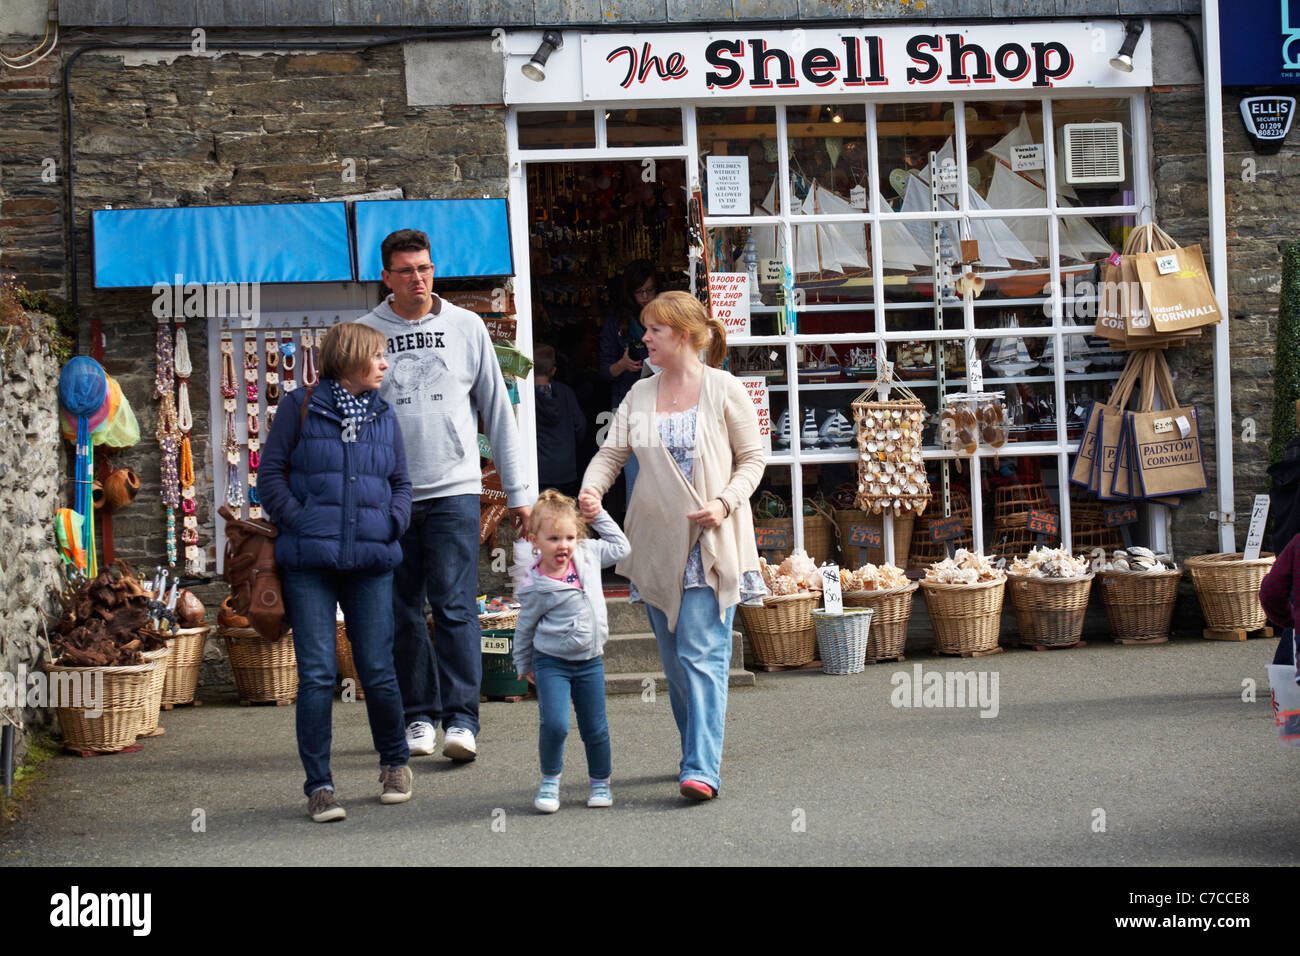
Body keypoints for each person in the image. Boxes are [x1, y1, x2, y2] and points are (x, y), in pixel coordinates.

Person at [580, 291, 767, 801]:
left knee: (703, 653)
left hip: (711, 540)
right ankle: (694, 750)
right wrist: (592, 489)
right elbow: (612, 453)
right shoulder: (641, 394)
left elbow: (753, 459)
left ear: (682, 336)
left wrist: (725, 503)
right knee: (676, 663)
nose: (644, 339)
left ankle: (702, 767)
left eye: (653, 331)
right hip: (657, 546)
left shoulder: (724, 389)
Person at [357, 229, 532, 763]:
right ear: (386, 276)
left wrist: (519, 490)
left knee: (456, 608)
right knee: (402, 611)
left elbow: (497, 411)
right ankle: (418, 719)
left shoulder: (466, 326)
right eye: (406, 270)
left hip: (456, 488)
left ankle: (462, 720)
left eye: (426, 268)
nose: (418, 278)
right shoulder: (365, 334)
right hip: (390, 496)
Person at [258, 322, 414, 822]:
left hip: (370, 561)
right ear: (348, 358)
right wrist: (301, 519)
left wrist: (393, 522)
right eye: (377, 356)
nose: (385, 365)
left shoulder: (385, 416)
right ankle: (319, 786)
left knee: (378, 670)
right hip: (309, 563)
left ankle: (394, 763)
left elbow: (401, 483)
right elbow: (269, 475)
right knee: (318, 675)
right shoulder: (298, 407)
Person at [512, 490, 630, 813]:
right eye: (553, 539)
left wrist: (600, 514)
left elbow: (623, 547)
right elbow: (524, 627)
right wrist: (523, 664)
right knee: (555, 725)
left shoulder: (588, 556)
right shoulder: (535, 584)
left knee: (596, 727)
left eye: (569, 537)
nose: (563, 545)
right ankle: (550, 780)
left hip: (590, 661)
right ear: (535, 541)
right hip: (551, 663)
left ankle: (601, 782)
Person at [598, 260, 657, 504]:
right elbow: (603, 372)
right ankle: (636, 538)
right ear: (630, 293)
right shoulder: (616, 322)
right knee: (635, 477)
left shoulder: (665, 316)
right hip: (628, 406)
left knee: (664, 476)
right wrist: (622, 365)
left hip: (664, 404)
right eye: (640, 292)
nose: (645, 297)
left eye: (650, 290)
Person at [533, 344, 586, 499]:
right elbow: (580, 425)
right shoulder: (566, 393)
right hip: (565, 468)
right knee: (563, 516)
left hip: (537, 468)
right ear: (553, 371)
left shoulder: (524, 395)